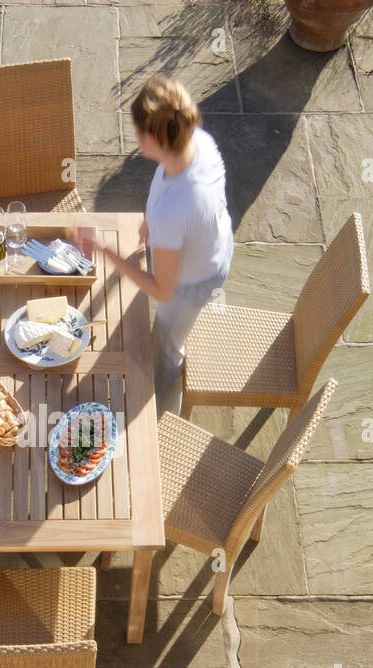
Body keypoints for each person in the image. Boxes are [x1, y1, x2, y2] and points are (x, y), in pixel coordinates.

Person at [76, 77, 233, 415]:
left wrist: (105, 249)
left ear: (149, 139)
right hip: (214, 241)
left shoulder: (174, 212)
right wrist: (152, 222)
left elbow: (162, 290)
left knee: (166, 351)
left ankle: (160, 421)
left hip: (193, 282)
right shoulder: (198, 142)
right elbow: (174, 193)